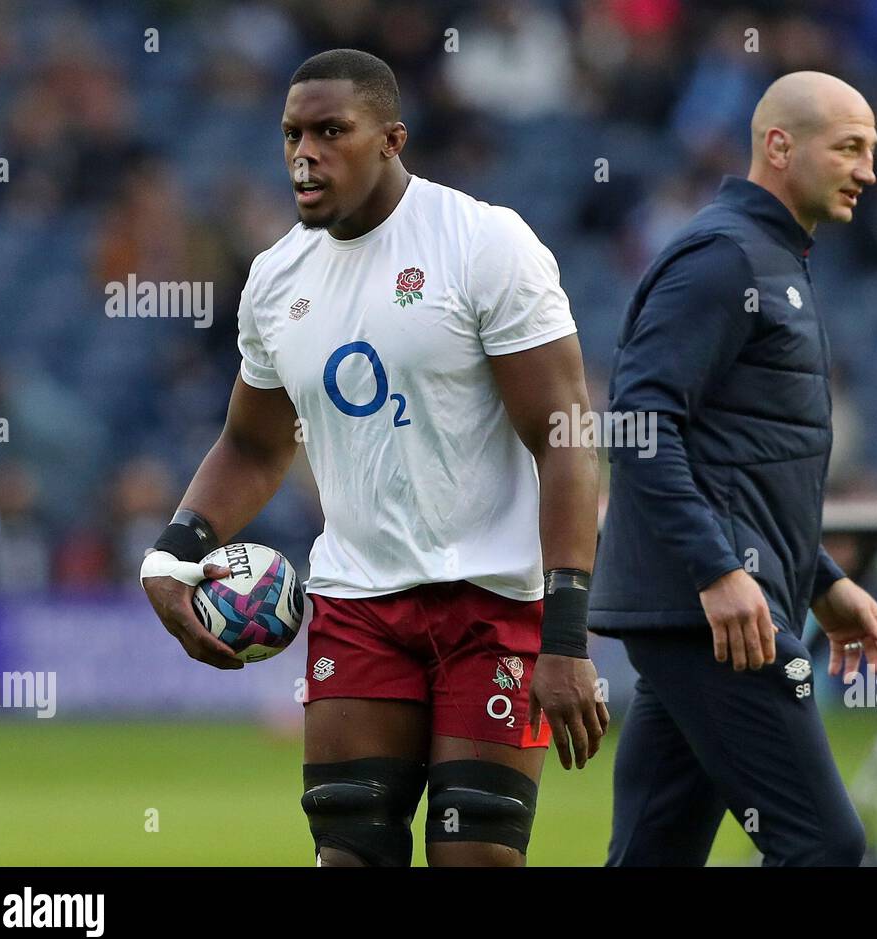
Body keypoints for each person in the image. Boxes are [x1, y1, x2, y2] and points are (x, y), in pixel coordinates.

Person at [139, 49, 607, 867]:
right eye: (291, 135)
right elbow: (253, 442)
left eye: (330, 132)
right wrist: (172, 552)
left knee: (473, 859)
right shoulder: (275, 279)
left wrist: (565, 638)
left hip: (494, 604)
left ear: (391, 139)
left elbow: (566, 439)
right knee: (348, 857)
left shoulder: (484, 245)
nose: (303, 154)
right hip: (359, 605)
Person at [589, 71, 877, 866]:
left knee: (655, 853)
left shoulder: (772, 256)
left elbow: (744, 457)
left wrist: (822, 580)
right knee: (823, 844)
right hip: (714, 619)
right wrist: (717, 569)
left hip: (713, 609)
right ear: (779, 145)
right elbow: (639, 424)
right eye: (851, 147)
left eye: (873, 151)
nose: (869, 169)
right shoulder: (725, 258)